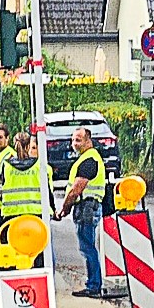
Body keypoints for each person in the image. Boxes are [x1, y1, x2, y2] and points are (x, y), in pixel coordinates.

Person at [53, 125, 106, 297]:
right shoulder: (88, 158)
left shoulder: (88, 161)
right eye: (73, 140)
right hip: (86, 207)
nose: (74, 143)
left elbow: (76, 189)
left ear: (88, 141)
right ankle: (93, 283)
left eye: (78, 140)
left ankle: (93, 285)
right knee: (87, 246)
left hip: (87, 208)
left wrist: (64, 208)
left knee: (88, 248)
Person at [0, 131, 53, 268]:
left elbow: (0, 185)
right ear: (29, 146)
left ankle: (12, 285)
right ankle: (40, 282)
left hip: (11, 216)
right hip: (35, 216)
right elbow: (48, 193)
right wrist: (54, 211)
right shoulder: (42, 166)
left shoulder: (5, 166)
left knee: (13, 254)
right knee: (38, 253)